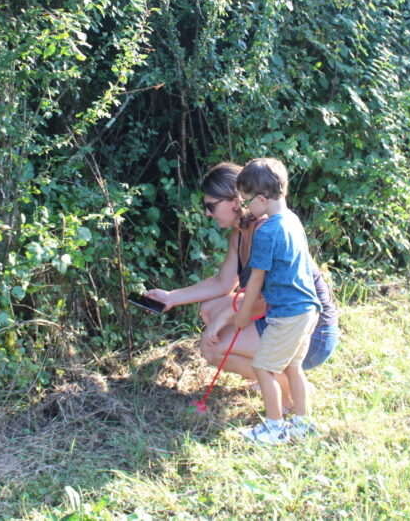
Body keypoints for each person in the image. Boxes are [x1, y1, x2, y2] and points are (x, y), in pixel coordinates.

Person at [144, 161, 339, 425]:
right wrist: (170, 298)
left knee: (213, 347)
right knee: (209, 308)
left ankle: (288, 388)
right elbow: (223, 283)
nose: (207, 213)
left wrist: (225, 318)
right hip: (284, 317)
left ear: (235, 201)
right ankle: (273, 376)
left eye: (211, 206)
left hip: (312, 332)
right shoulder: (240, 232)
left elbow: (266, 297)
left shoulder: (266, 230)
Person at [230, 158, 319, 444]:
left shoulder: (267, 230)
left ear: (261, 199)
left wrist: (243, 314)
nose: (246, 208)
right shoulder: (292, 219)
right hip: (308, 309)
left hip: (288, 313)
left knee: (263, 368)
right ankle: (303, 424)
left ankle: (274, 427)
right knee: (293, 367)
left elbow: (256, 278)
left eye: (247, 202)